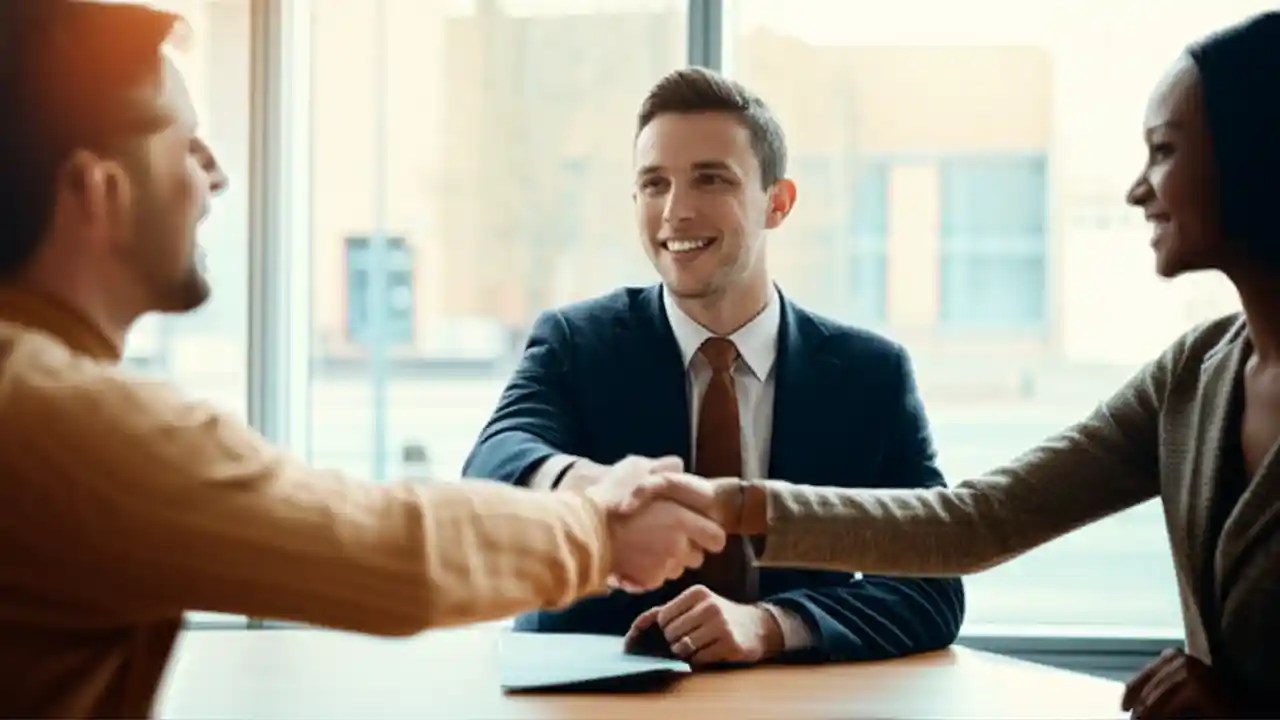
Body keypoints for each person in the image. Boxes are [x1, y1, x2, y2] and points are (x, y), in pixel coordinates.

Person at [0, 3, 726, 717]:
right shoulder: (58, 420)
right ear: (99, 190)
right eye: (187, 145)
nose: (214, 177)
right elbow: (390, 550)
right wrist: (598, 530)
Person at [658, 12, 1280, 718]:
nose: (1139, 190)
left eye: (1163, 152)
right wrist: (730, 505)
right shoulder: (1196, 374)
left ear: (1254, 152)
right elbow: (975, 521)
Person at [463, 67, 963, 667]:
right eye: (654, 185)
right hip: (592, 698)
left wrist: (772, 625)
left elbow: (933, 584)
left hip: (788, 705)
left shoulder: (868, 376)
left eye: (710, 180)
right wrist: (596, 491)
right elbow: (493, 466)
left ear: (776, 203)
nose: (675, 211)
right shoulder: (577, 342)